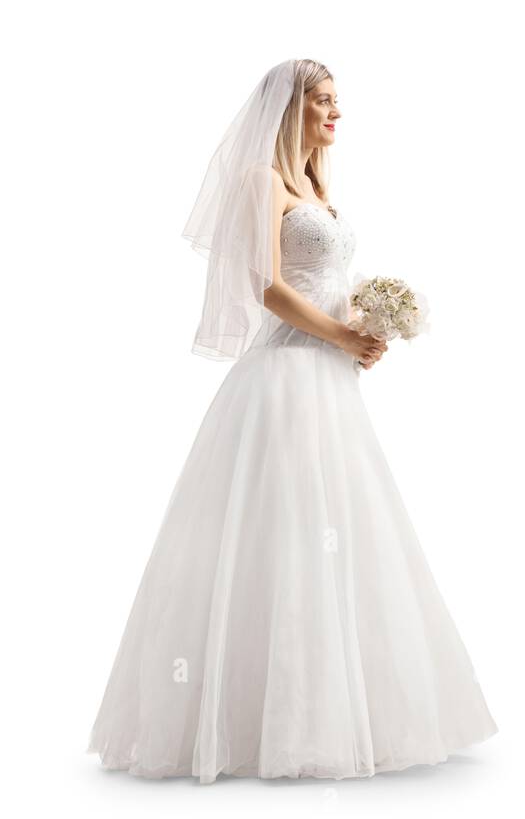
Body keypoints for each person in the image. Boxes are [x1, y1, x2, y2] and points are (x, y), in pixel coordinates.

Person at [87, 58, 498, 782]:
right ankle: (253, 721)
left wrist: (367, 326)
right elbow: (268, 290)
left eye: (339, 101)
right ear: (290, 109)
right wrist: (341, 335)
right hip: (284, 376)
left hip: (330, 380)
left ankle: (338, 710)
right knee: (281, 529)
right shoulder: (262, 183)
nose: (336, 114)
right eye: (324, 102)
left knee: (339, 529)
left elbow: (322, 280)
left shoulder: (315, 186)